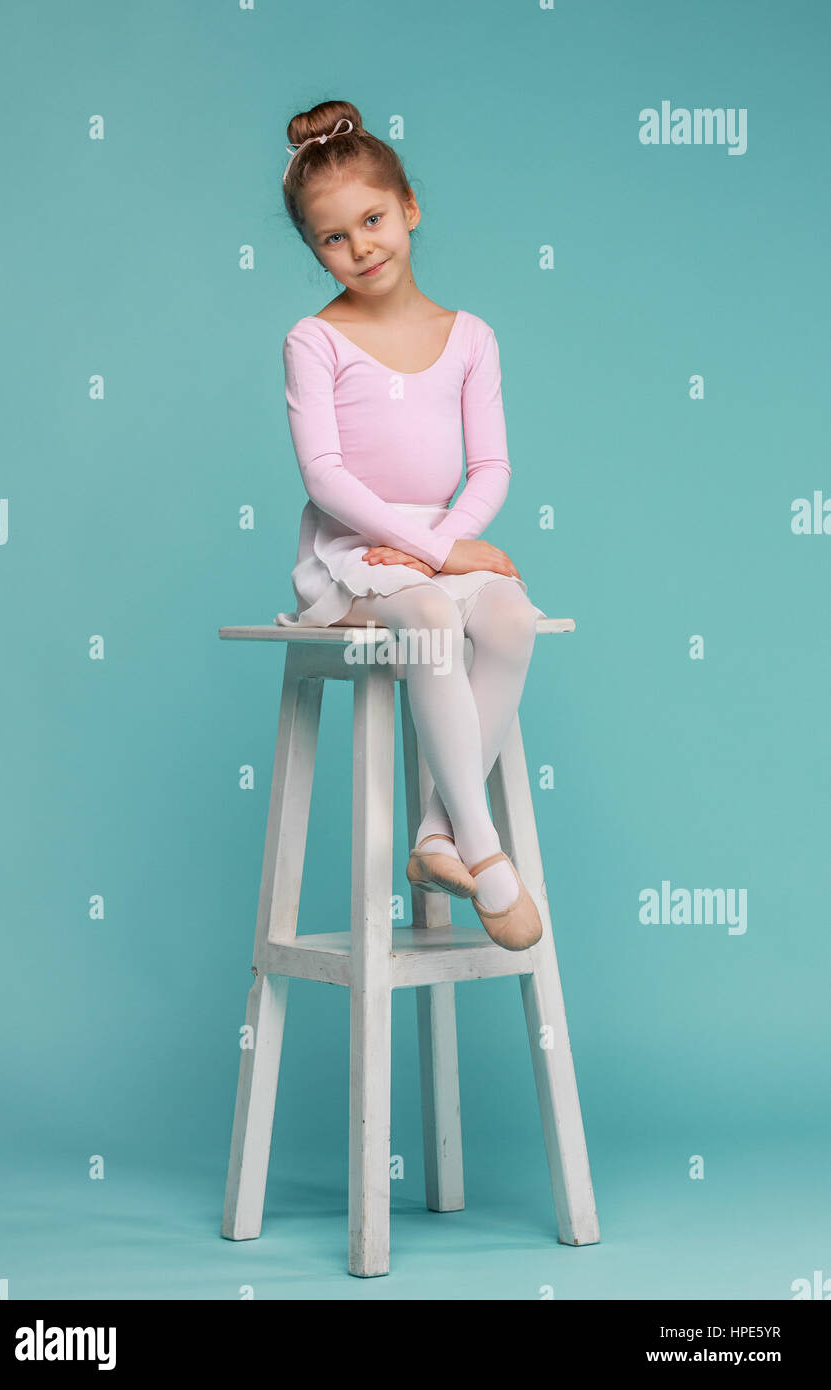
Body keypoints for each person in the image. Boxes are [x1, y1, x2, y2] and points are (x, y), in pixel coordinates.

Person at [275, 99, 545, 949]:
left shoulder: (469, 338)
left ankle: (434, 835)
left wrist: (448, 541)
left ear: (409, 209)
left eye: (373, 220)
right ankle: (486, 850)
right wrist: (434, 553)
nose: (360, 247)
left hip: (434, 540)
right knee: (430, 618)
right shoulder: (314, 341)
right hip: (357, 552)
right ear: (313, 248)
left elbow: (492, 466)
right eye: (333, 238)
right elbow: (324, 474)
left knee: (508, 615)